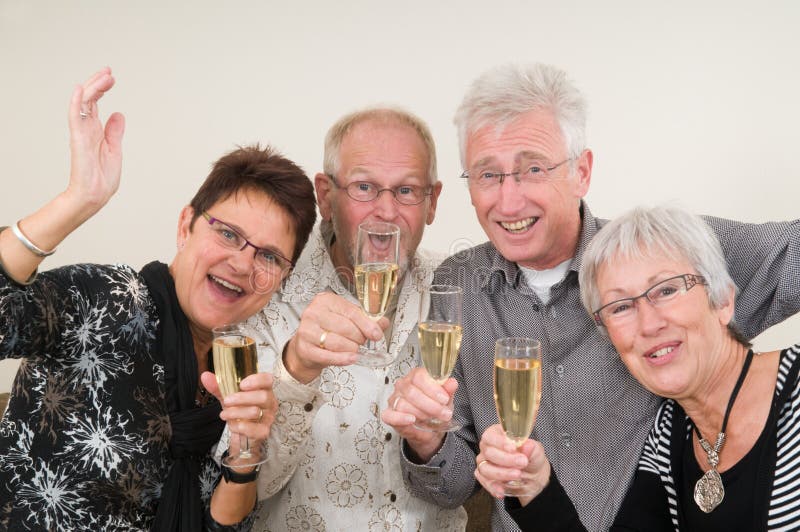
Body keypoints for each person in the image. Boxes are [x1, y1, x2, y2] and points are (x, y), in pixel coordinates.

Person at [382, 63, 800, 530]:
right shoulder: (460, 285)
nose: (509, 201)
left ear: (581, 172)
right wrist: (427, 441)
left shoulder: (660, 254)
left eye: (532, 169)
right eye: (487, 175)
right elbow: (453, 487)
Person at [0, 68, 317, 531]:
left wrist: (245, 452)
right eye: (228, 233)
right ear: (185, 224)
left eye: (269, 256)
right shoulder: (108, 300)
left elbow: (221, 526)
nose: (244, 264)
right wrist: (79, 199)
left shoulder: (242, 366)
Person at [477, 205, 800, 530]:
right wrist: (536, 487)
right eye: (621, 307)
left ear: (722, 301)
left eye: (667, 290)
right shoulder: (668, 436)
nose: (648, 324)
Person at [243, 107, 467, 530]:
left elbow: (480, 464)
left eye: (406, 191)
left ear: (432, 202)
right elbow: (249, 485)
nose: (386, 211)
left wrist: (431, 447)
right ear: (326, 196)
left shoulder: (459, 290)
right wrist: (295, 373)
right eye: (364, 188)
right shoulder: (265, 296)